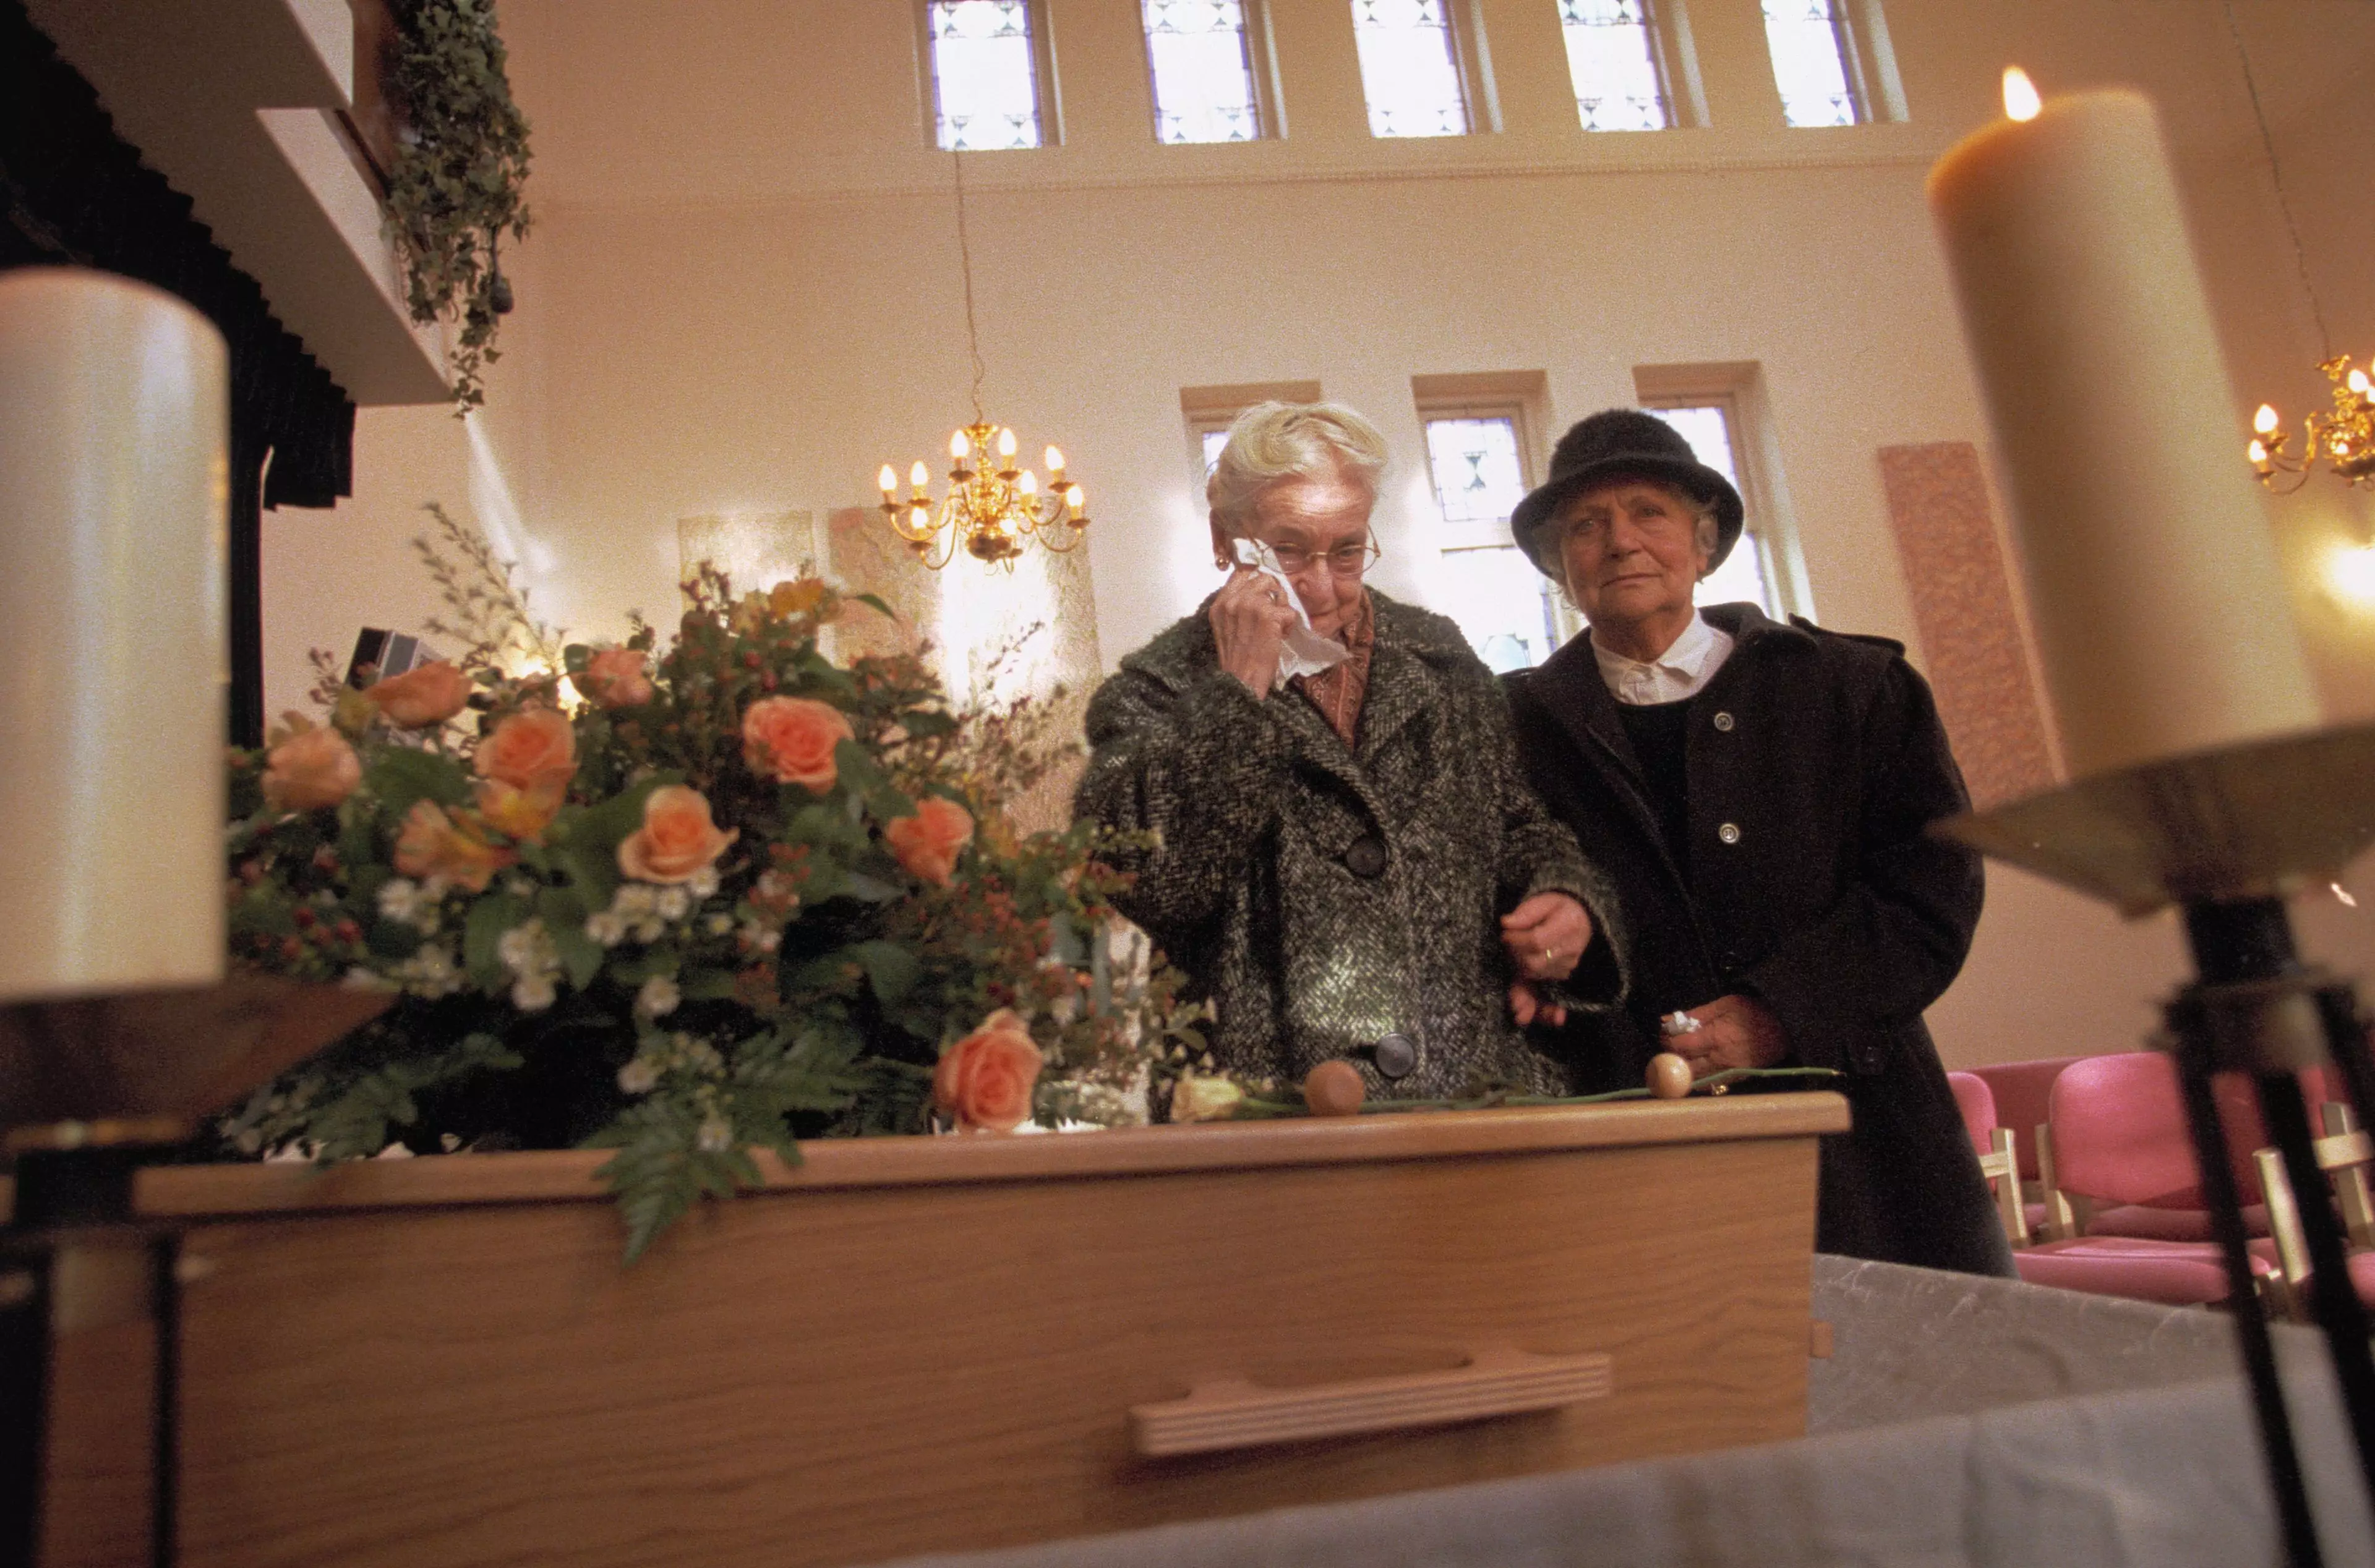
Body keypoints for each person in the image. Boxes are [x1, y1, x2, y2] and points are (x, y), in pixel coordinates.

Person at [1501, 408, 2013, 1276]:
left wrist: (1783, 1013)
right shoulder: (1506, 728)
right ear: (1560, 568)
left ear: (1704, 544)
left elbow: (1930, 891)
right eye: (1586, 526)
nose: (1620, 541)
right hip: (1631, 1147)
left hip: (1865, 1143)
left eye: (1647, 513)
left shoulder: (1853, 689)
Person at [1075, 401, 1624, 1100]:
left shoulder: (1441, 657)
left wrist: (1565, 898)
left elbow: (1520, 828)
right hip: (1269, 1116)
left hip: (1472, 1097)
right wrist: (1237, 694)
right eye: (1291, 550)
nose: (1325, 585)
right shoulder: (1152, 691)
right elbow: (1158, 886)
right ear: (1226, 540)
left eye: (1347, 549)